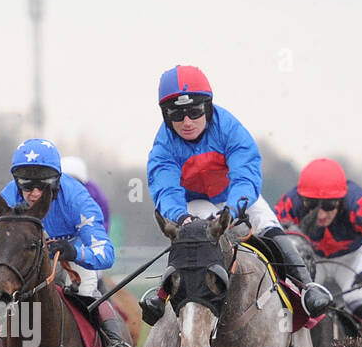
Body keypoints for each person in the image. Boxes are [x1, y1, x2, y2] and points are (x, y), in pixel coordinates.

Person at [142, 65, 331, 325]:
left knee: (268, 223)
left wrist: (232, 208)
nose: (186, 122)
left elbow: (246, 173)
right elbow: (165, 188)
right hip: (194, 203)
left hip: (233, 197)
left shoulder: (230, 128)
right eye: (177, 114)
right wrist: (181, 217)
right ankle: (161, 296)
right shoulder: (163, 145)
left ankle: (307, 288)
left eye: (194, 111)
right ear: (166, 115)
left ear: (207, 108)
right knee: (189, 238)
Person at [0, 138, 138, 347]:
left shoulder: (77, 198)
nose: (34, 194)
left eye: (43, 186)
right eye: (27, 186)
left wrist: (75, 252)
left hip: (68, 258)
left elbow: (105, 252)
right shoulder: (9, 195)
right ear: (18, 183)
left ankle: (115, 345)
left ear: (57, 181)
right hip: (27, 259)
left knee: (87, 286)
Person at [274, 158, 362, 327]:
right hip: (313, 257)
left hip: (354, 256)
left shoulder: (357, 205)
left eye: (329, 205)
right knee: (296, 300)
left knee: (357, 298)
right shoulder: (291, 203)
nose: (321, 214)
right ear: (302, 199)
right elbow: (269, 231)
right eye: (311, 204)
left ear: (340, 200)